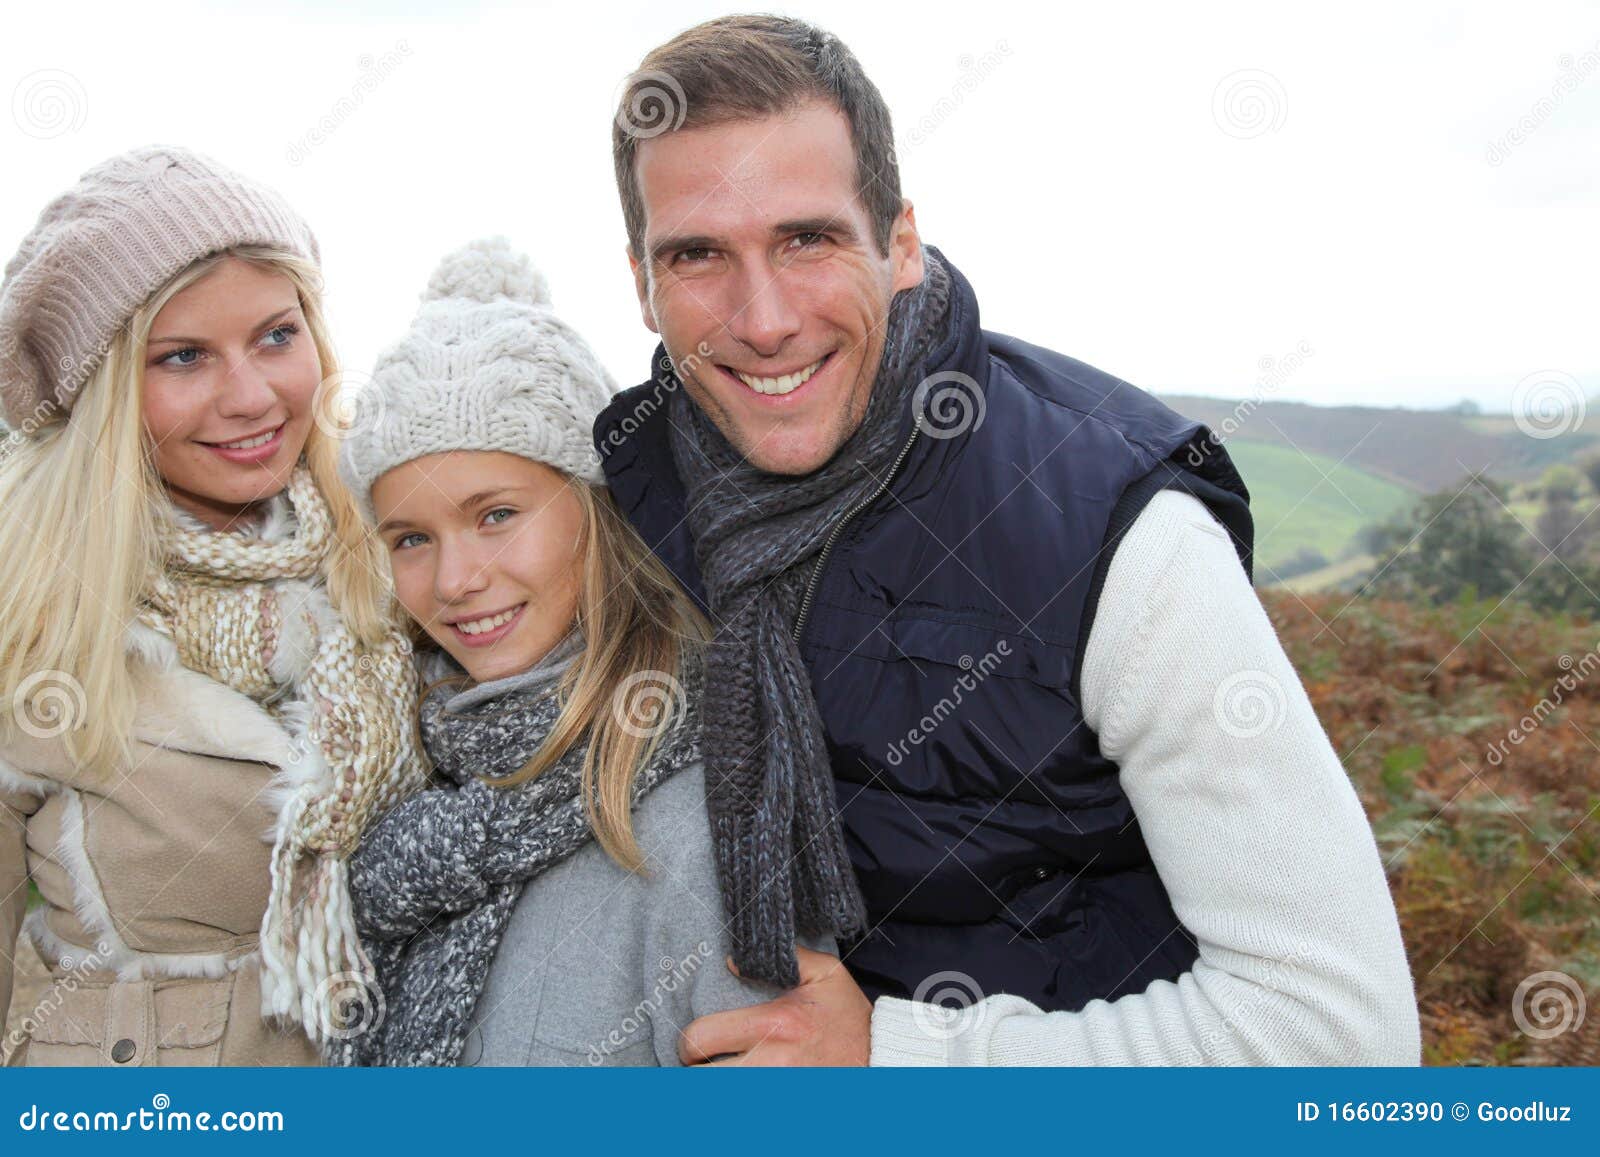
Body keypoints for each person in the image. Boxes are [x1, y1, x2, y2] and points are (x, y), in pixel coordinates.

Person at [595, 15, 1423, 1065]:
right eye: (699, 254)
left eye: (807, 238)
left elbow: (1341, 1033)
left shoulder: (1118, 532)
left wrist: (897, 1061)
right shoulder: (625, 496)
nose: (763, 319)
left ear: (897, 241)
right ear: (640, 283)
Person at [328, 237, 832, 1067]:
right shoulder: (399, 786)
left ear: (594, 512)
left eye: (496, 514)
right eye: (412, 537)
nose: (456, 579)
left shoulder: (703, 822)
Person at [0, 145, 423, 1065]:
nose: (252, 396)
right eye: (184, 356)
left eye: (277, 334)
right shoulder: (30, 604)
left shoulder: (406, 544)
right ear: (106, 392)